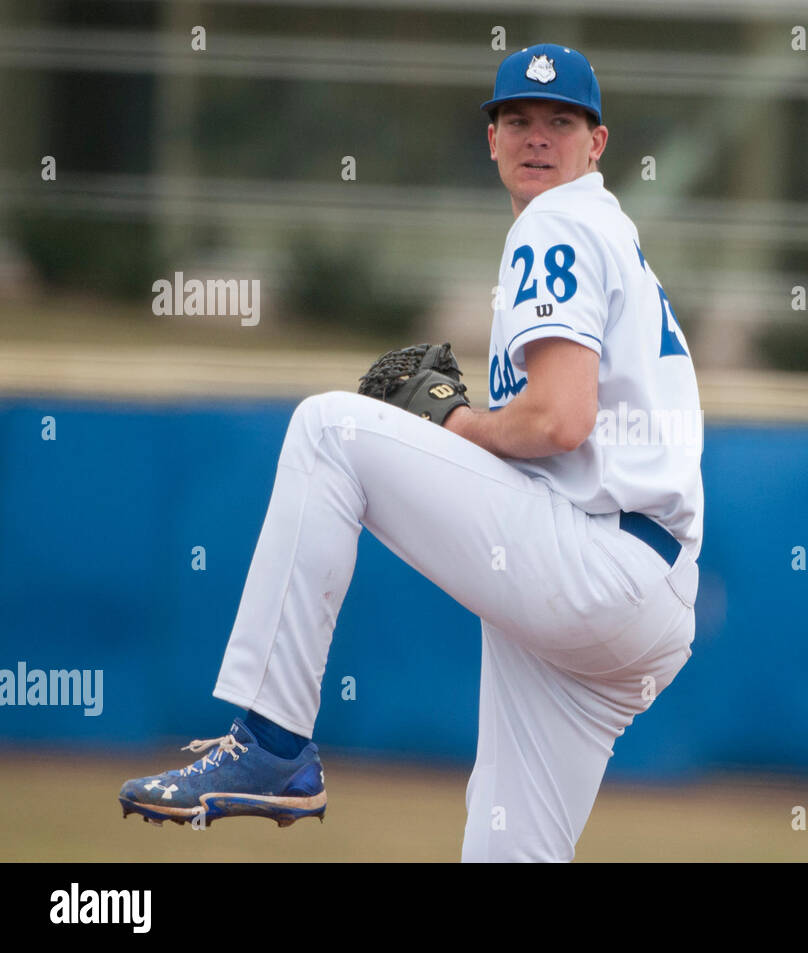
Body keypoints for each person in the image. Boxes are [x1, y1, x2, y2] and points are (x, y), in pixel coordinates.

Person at [118, 42, 704, 863]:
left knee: (329, 431)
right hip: (630, 594)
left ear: (596, 143)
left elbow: (561, 419)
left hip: (598, 564)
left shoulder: (560, 220)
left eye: (561, 121)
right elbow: (565, 433)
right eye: (518, 119)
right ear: (491, 139)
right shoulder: (611, 234)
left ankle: (273, 742)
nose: (538, 137)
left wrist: (458, 425)